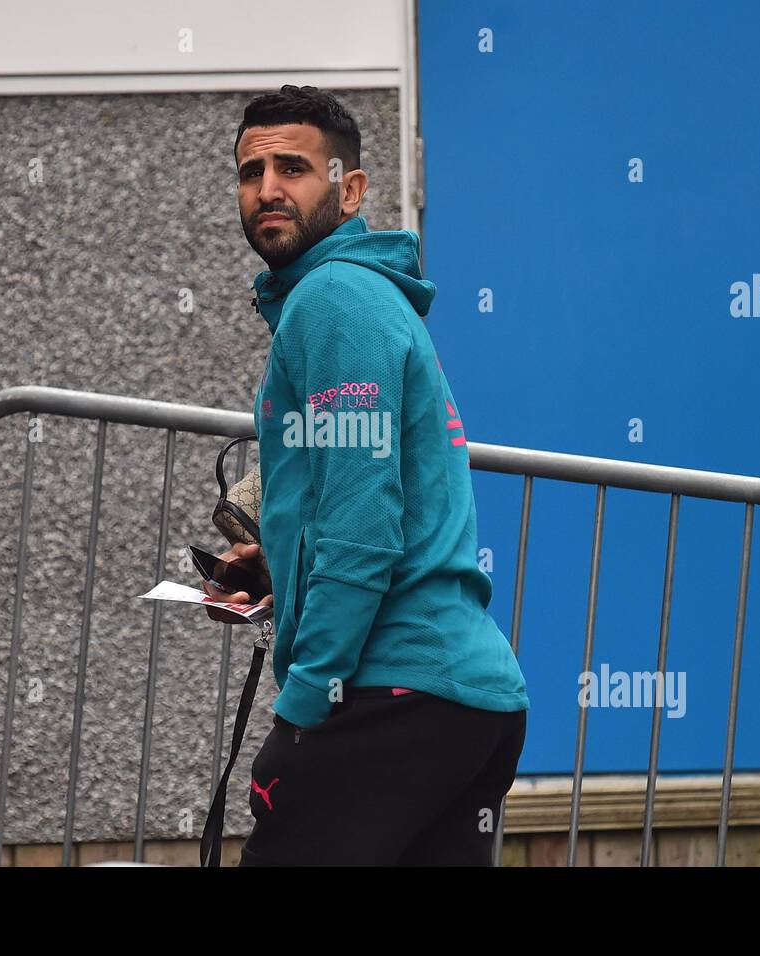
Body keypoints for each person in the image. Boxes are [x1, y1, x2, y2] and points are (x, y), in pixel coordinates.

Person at [203, 85, 528, 866]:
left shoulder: (335, 300)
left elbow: (363, 523)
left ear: (349, 191)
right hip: (457, 700)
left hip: (391, 695)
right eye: (252, 172)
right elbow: (365, 497)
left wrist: (308, 702)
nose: (269, 188)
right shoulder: (358, 300)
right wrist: (280, 567)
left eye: (294, 168)